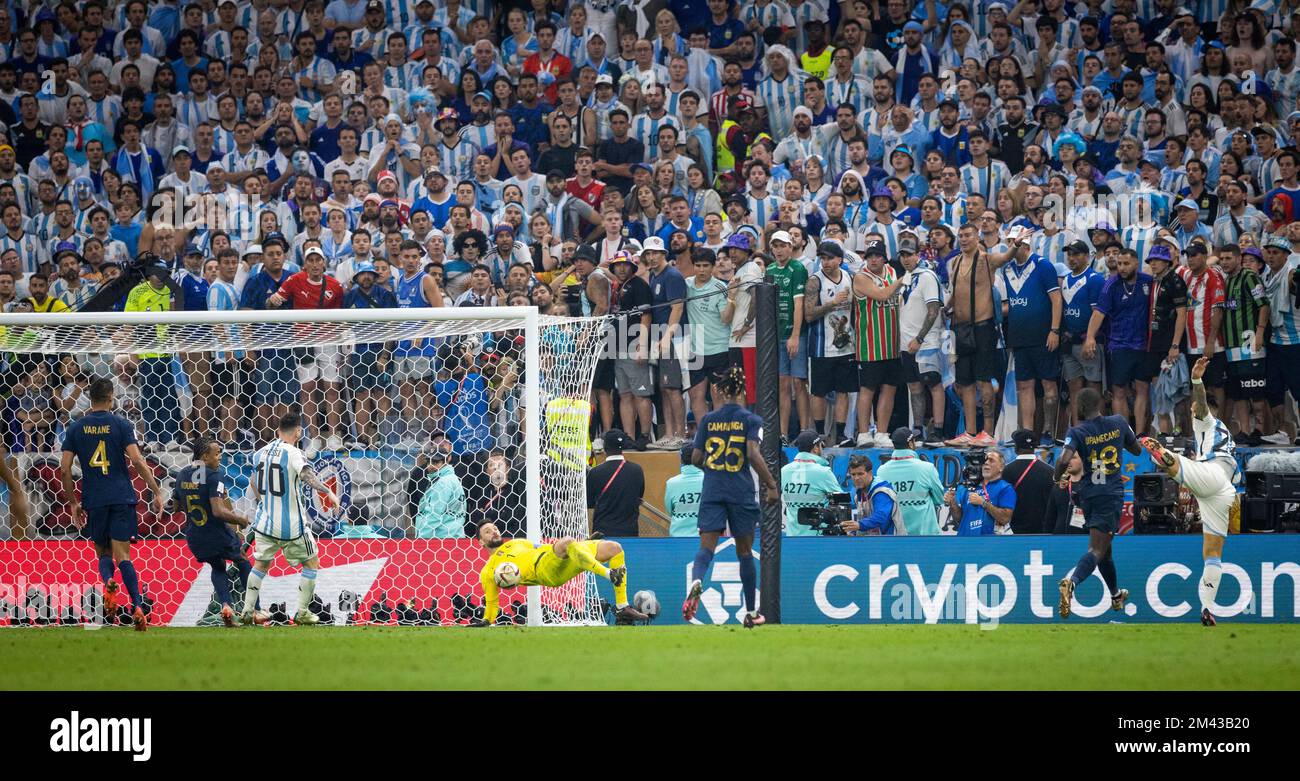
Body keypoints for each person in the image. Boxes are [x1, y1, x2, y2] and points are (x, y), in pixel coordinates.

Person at [1140, 357, 1239, 627]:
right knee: (1212, 553)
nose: (1191, 412)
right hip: (1221, 491)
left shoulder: (1206, 421)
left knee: (1181, 468)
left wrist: (1196, 380)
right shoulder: (1225, 434)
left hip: (1212, 476)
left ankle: (1165, 456)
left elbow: (1203, 404)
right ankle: (1207, 608)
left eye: (1193, 408)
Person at [59, 377, 163, 631]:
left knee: (103, 553)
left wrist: (74, 502)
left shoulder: (76, 428)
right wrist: (156, 490)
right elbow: (137, 460)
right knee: (123, 555)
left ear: (90, 398)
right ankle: (137, 605)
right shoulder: (120, 424)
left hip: (94, 499)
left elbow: (63, 469)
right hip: (120, 497)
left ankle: (108, 582)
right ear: (111, 397)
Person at [685, 365, 779, 628]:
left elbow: (695, 457)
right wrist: (771, 485)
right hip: (740, 492)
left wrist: (715, 470)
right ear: (743, 390)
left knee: (706, 548)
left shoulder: (707, 420)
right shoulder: (751, 420)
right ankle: (750, 612)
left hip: (713, 490)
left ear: (719, 390)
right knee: (745, 551)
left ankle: (697, 580)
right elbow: (752, 453)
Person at [241, 413, 340, 626]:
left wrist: (265, 502)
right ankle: (302, 612)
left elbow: (252, 481)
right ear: (297, 431)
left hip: (265, 523)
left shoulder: (260, 453)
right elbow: (306, 476)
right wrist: (328, 492)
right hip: (292, 526)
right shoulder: (295, 453)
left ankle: (248, 611)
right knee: (311, 562)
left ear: (278, 429)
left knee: (260, 565)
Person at [1053, 387, 1142, 619]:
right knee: (1097, 549)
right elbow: (1137, 449)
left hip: (1088, 494)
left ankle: (1115, 595)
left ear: (1080, 408)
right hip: (1110, 494)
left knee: (1105, 551)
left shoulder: (1078, 430)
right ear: (1101, 404)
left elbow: (1064, 459)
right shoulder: (1119, 422)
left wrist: (1056, 476)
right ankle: (1071, 582)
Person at [472, 521, 647, 625]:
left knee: (614, 548)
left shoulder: (516, 542)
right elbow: (492, 601)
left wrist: (581, 545)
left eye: (494, 528)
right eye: (487, 531)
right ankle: (609, 574)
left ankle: (622, 607)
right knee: (568, 541)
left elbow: (547, 548)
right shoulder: (488, 570)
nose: (493, 531)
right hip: (543, 570)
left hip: (555, 557)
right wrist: (486, 621)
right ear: (481, 542)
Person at [173, 435, 253, 627]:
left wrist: (196, 503)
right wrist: (240, 520)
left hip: (195, 536)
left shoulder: (183, 473)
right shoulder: (213, 475)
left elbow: (176, 507)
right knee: (243, 562)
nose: (220, 457)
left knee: (218, 566)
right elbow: (218, 511)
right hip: (216, 533)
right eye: (217, 454)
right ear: (205, 456)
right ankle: (254, 609)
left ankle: (226, 606)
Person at [875, 428, 945, 534]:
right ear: (911, 444)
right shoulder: (927, 468)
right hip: (927, 538)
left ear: (894, 446)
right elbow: (939, 499)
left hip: (896, 538)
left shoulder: (881, 471)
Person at [779, 430, 843, 536]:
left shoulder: (784, 471)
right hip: (817, 538)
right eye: (821, 445)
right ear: (816, 448)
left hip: (792, 537)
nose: (822, 448)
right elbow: (842, 502)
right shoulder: (823, 472)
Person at [585, 428, 644, 537]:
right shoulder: (637, 470)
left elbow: (589, 502)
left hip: (603, 531)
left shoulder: (595, 472)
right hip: (630, 531)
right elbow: (639, 496)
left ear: (605, 447)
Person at [943, 448, 1015, 536]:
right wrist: (953, 503)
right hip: (964, 540)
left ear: (1001, 467)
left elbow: (1004, 518)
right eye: (984, 460)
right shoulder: (969, 487)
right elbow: (960, 520)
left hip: (988, 543)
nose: (986, 463)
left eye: (991, 460)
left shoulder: (1005, 488)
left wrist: (983, 503)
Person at [1000, 429, 1056, 534]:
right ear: (1035, 447)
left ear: (1016, 448)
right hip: (1043, 531)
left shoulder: (1007, 471)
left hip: (1015, 531)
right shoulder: (1050, 471)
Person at [413, 439, 467, 538]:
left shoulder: (443, 482)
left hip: (440, 540)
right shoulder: (451, 479)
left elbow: (433, 515)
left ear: (446, 461)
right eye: (429, 461)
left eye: (436, 462)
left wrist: (421, 541)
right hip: (452, 537)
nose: (431, 466)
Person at [840, 453, 903, 535]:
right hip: (873, 542)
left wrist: (859, 525)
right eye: (853, 474)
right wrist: (852, 531)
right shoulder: (858, 493)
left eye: (860, 474)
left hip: (892, 543)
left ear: (870, 473)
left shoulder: (882, 491)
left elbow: (880, 517)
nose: (856, 478)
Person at [663, 443, 703, 537]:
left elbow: (669, 510)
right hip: (704, 538)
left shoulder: (671, 483)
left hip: (677, 537)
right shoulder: (710, 481)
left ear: (681, 459)